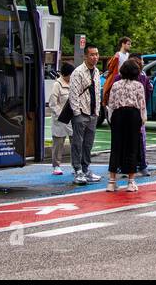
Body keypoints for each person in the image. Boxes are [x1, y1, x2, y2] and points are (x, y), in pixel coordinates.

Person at [107, 58, 147, 193]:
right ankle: (131, 182)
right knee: (132, 147)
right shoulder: (138, 86)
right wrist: (142, 120)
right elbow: (142, 105)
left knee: (116, 147)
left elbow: (111, 104)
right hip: (133, 115)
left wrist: (111, 118)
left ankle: (112, 182)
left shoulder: (116, 85)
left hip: (118, 115)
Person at [68, 46, 103, 185]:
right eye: (92, 55)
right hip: (81, 112)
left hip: (93, 113)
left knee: (88, 143)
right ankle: (77, 170)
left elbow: (97, 92)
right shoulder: (78, 72)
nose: (95, 57)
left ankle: (86, 168)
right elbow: (73, 94)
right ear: (85, 56)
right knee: (77, 142)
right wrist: (77, 112)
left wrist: (97, 111)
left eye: (97, 54)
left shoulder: (96, 71)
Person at [46, 61, 74, 176]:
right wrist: (61, 116)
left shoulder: (73, 83)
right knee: (58, 142)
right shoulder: (57, 84)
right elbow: (53, 103)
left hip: (72, 118)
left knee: (76, 143)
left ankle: (76, 165)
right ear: (66, 74)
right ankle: (56, 166)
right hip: (60, 118)